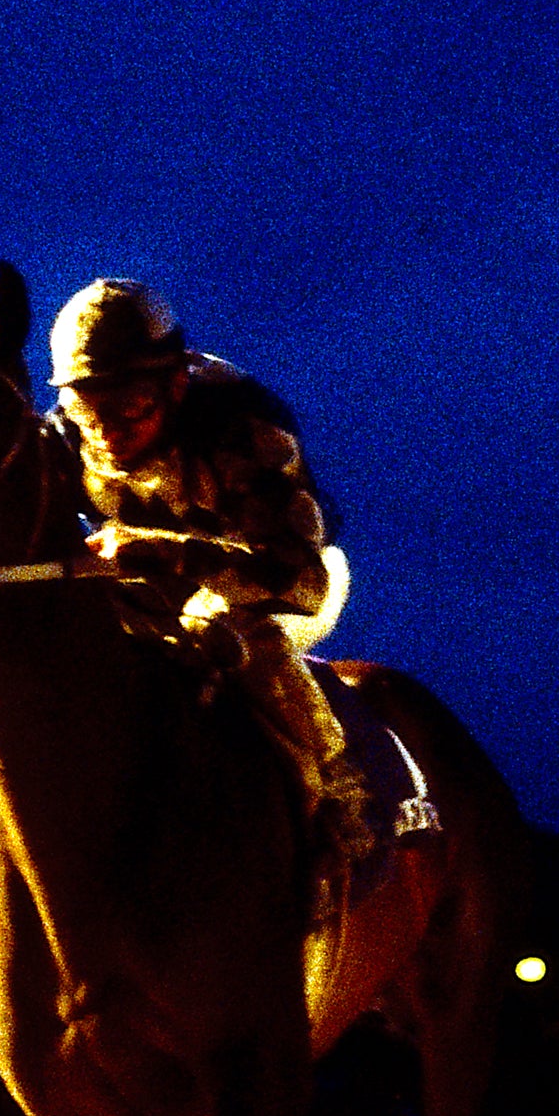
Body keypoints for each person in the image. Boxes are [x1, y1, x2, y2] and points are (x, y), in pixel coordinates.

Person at [43, 278, 369, 869]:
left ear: (175, 385)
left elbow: (295, 582)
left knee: (221, 628)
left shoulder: (239, 424)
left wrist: (167, 551)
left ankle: (341, 796)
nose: (107, 433)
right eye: (88, 412)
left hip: (288, 578)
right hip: (154, 590)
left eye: (128, 409)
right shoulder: (64, 434)